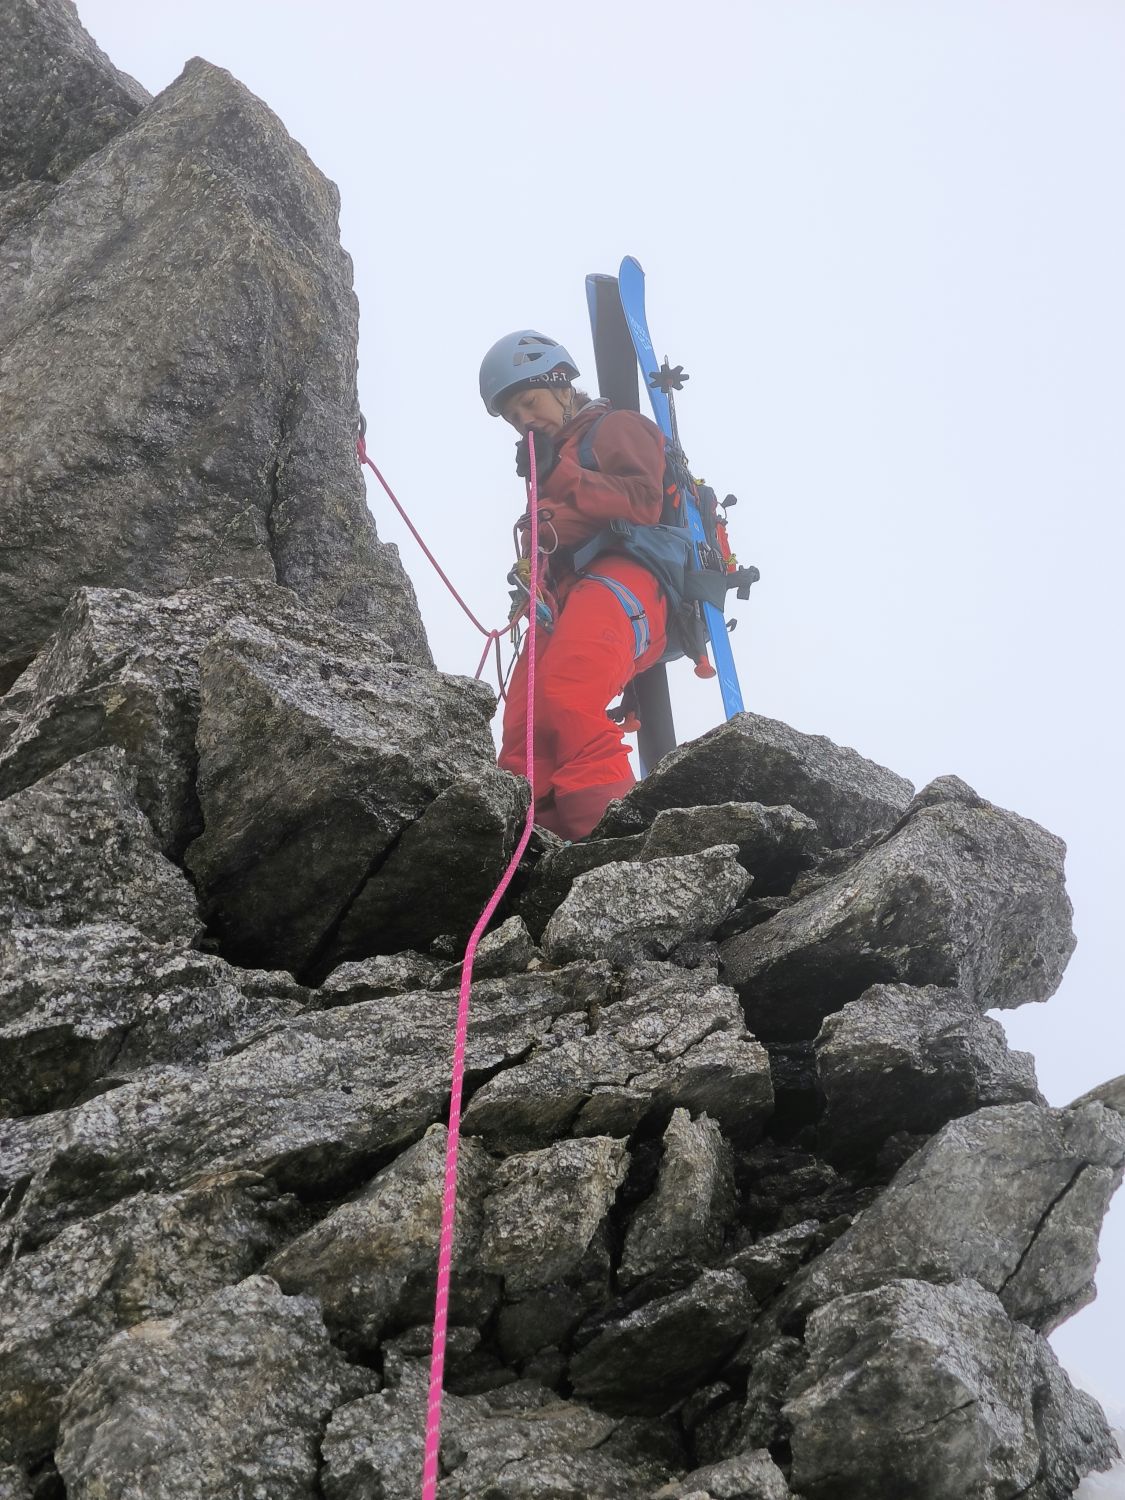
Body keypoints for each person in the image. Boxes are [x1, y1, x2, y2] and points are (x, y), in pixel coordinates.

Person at [479, 330, 669, 841]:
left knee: (568, 696)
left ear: (561, 385)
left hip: (623, 581)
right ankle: (536, 847)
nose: (523, 419)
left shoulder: (616, 428)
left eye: (529, 401)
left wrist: (559, 471)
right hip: (561, 600)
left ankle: (610, 843)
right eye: (513, 415)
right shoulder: (548, 458)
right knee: (522, 727)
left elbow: (642, 502)